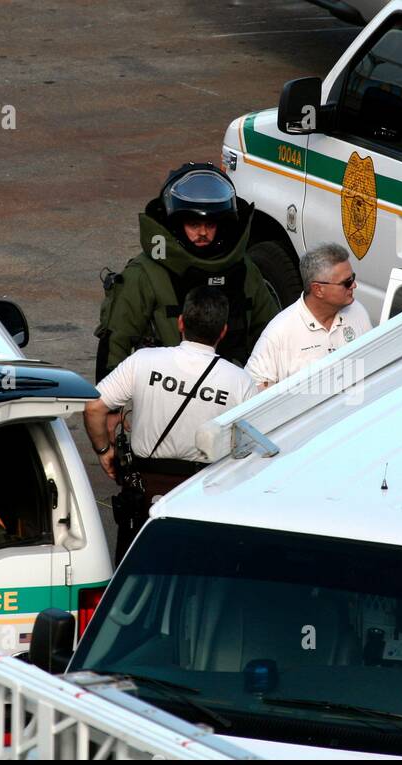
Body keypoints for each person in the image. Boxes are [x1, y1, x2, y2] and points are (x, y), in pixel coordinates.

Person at [85, 287, 257, 560]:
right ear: (222, 331)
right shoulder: (240, 381)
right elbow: (249, 447)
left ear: (180, 323)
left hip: (142, 493)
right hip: (202, 495)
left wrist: (104, 451)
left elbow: (95, 406)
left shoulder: (143, 361)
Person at [95, 162, 280, 380]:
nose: (203, 232)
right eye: (194, 224)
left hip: (232, 389)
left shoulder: (244, 270)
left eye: (210, 225)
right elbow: (116, 341)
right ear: (175, 223)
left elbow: (272, 336)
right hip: (163, 389)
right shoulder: (144, 274)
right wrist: (110, 406)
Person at [245, 243, 373, 389]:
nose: (354, 285)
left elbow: (374, 360)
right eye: (347, 282)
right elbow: (254, 388)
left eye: (353, 278)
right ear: (318, 289)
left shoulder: (357, 311)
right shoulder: (279, 333)